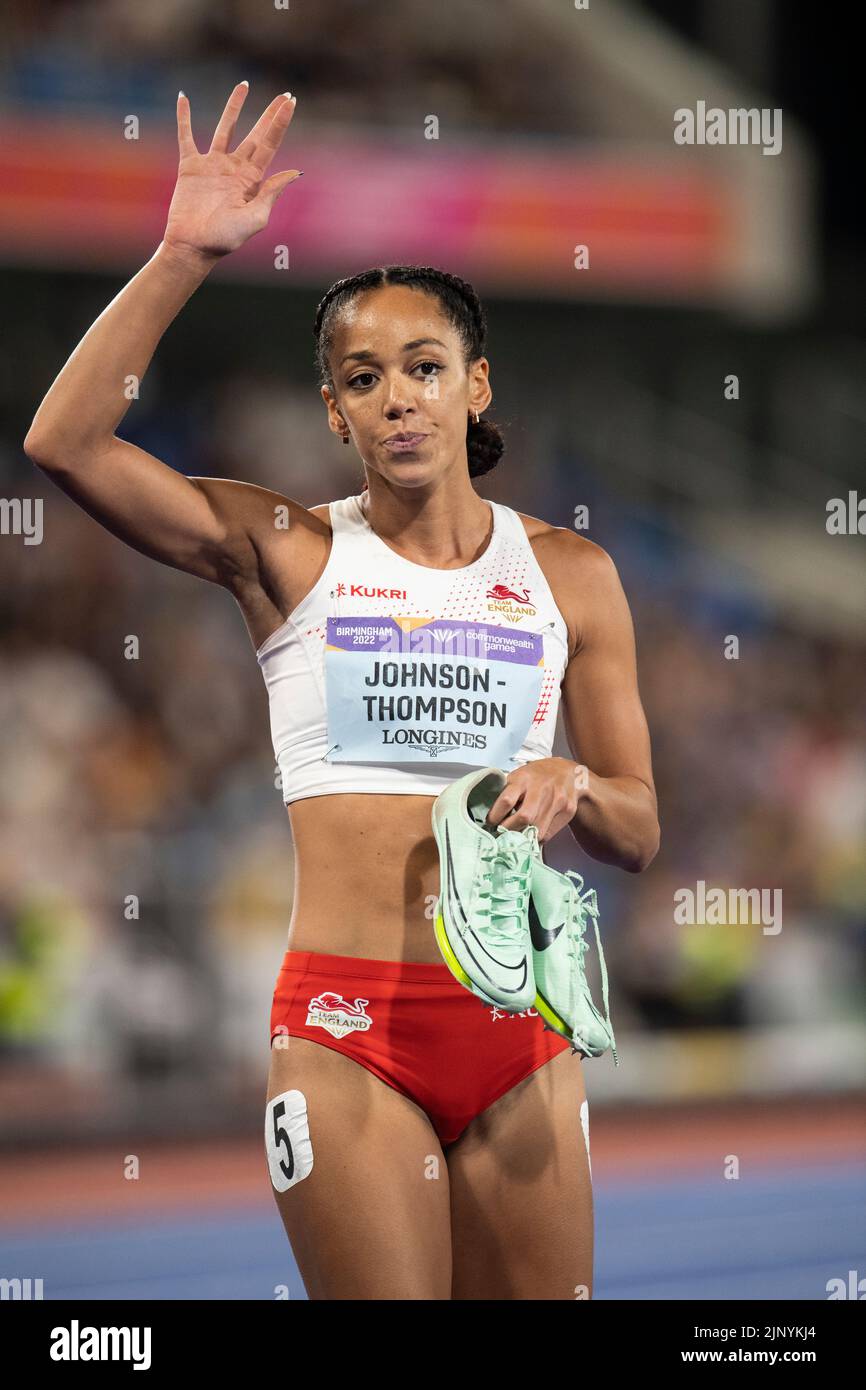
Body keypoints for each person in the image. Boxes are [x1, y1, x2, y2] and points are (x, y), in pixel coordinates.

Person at [24, 83, 660, 1300]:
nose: (396, 396)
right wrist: (178, 255)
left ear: (474, 387)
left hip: (521, 1037)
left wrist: (574, 781)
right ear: (334, 411)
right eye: (361, 378)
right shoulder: (286, 551)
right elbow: (66, 446)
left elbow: (639, 824)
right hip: (345, 1033)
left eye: (423, 366)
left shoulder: (571, 576)